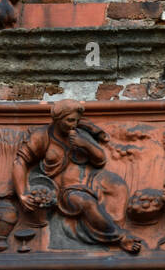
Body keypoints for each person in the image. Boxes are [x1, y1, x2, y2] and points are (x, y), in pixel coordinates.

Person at [13, 100, 141, 252]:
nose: (74, 124)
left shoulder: (79, 134)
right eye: (70, 120)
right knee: (86, 202)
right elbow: (20, 162)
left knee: (117, 185)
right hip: (65, 188)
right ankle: (119, 237)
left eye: (76, 120)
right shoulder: (42, 136)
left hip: (92, 177)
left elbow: (100, 159)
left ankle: (112, 225)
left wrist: (85, 144)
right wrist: (22, 194)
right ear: (57, 119)